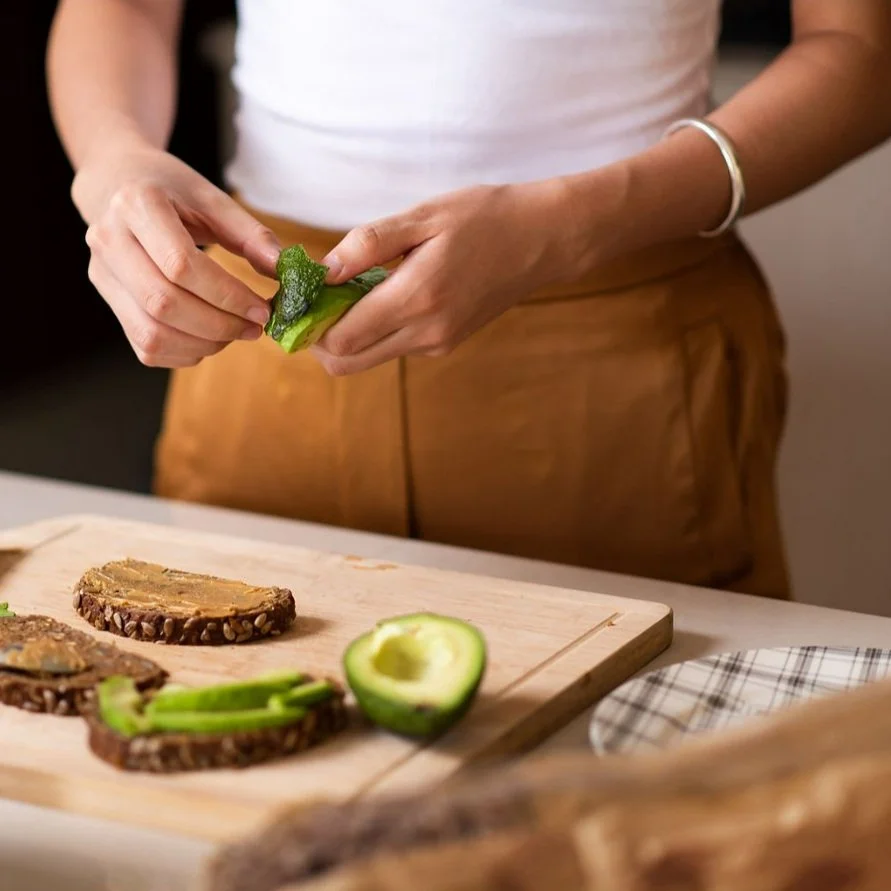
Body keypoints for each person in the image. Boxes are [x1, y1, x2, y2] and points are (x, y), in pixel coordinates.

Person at [46, 1, 891, 600]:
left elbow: (860, 48)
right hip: (267, 341)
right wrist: (112, 162)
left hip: (616, 366)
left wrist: (567, 225)